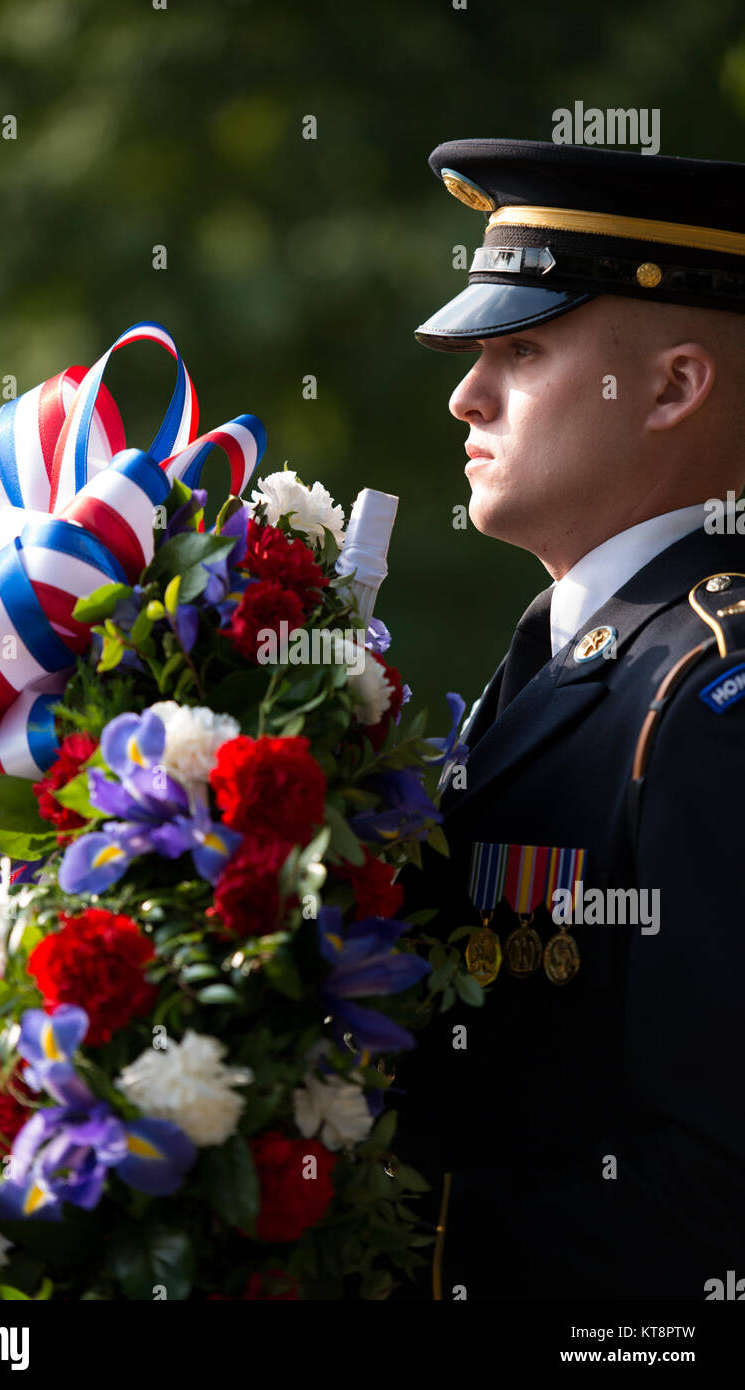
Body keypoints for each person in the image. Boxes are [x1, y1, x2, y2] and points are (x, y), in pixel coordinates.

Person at [393, 138, 745, 1301]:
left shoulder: (711, 692)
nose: (465, 393)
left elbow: (713, 1193)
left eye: (522, 349)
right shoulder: (587, 646)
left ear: (673, 385)